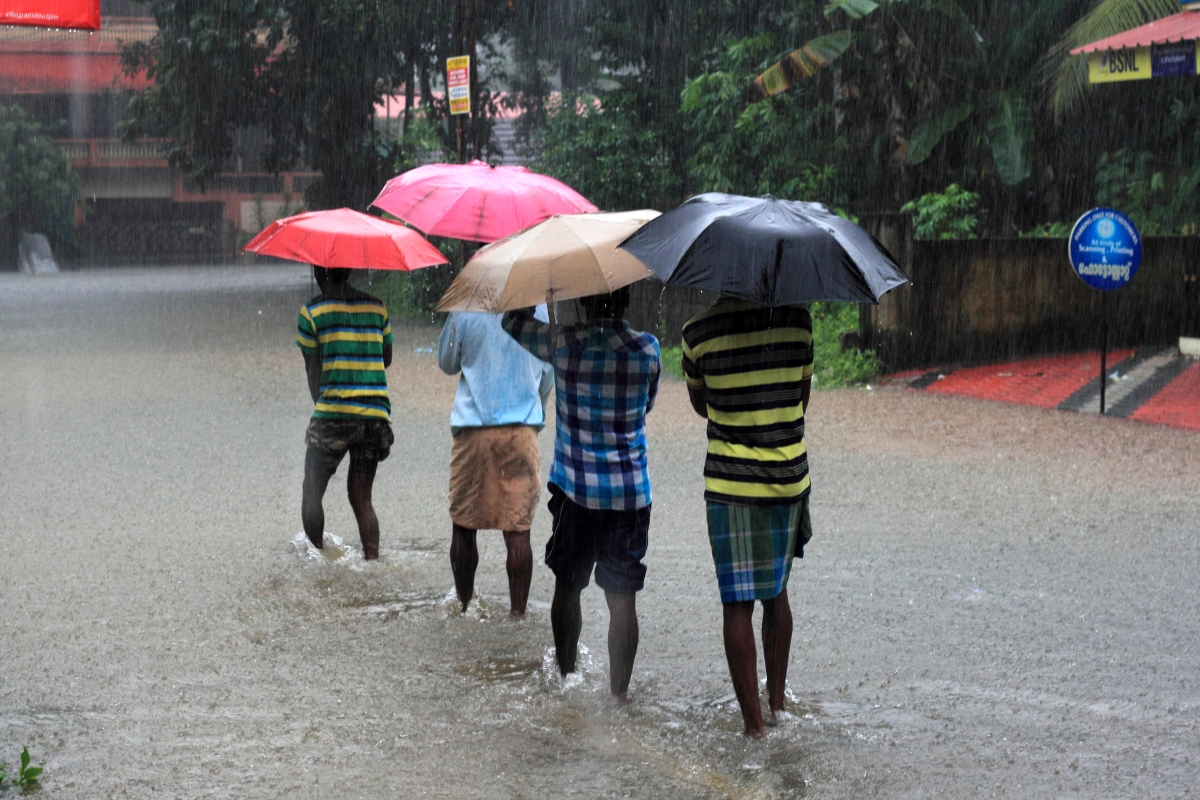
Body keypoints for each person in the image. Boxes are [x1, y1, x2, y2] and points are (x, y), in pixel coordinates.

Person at [502, 287, 660, 698]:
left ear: (582, 302)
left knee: (568, 586)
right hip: (629, 493)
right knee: (622, 597)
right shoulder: (648, 350)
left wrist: (536, 281)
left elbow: (511, 322)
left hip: (576, 492)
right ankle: (619, 695)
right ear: (627, 301)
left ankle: (566, 678)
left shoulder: (563, 343)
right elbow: (646, 406)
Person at [680, 297, 814, 738]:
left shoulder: (697, 333)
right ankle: (777, 706)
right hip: (786, 478)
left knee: (736, 602)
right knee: (777, 591)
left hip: (731, 485)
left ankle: (754, 729)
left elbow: (702, 406)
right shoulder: (797, 321)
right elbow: (801, 398)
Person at [437, 309, 554, 618]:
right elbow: (547, 377)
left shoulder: (467, 306)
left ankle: (463, 607)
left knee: (463, 525)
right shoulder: (542, 308)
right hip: (522, 432)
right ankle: (517, 616)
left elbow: (447, 363)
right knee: (518, 530)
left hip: (473, 431)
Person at [296, 266, 394, 561]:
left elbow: (313, 370)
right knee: (362, 498)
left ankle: (316, 560)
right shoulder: (376, 307)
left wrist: (324, 409)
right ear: (349, 269)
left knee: (312, 493)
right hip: (374, 417)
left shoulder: (312, 312)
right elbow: (385, 358)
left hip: (333, 415)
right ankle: (372, 564)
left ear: (317, 272)